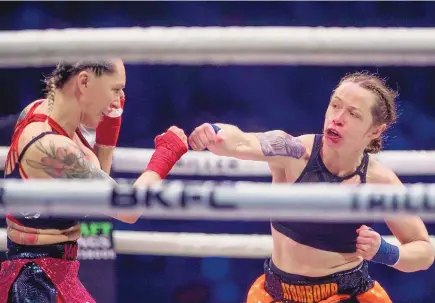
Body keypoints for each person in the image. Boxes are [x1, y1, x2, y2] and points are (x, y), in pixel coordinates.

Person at [188, 72, 435, 303]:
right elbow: (242, 141)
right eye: (335, 105)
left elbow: (424, 252)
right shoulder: (294, 152)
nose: (338, 118)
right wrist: (215, 132)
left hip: (345, 295)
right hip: (276, 293)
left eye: (353, 114)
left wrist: (385, 251)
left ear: (375, 131)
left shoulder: (379, 180)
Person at [0, 59, 188, 303]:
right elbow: (126, 209)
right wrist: (164, 157)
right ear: (85, 81)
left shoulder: (40, 111)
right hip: (38, 284)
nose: (119, 99)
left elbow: (96, 188)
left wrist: (108, 133)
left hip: (51, 275)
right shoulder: (51, 147)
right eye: (115, 88)